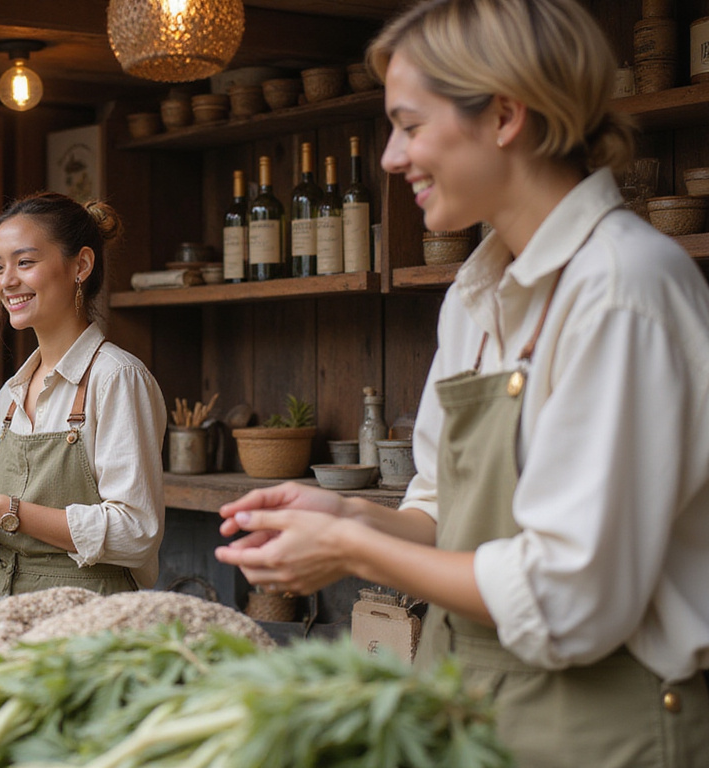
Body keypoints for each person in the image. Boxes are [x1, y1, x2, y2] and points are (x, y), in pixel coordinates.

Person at [214, 0, 709, 764]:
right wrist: (348, 513)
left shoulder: (621, 289)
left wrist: (349, 547)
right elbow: (442, 512)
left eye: (410, 125)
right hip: (474, 714)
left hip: (607, 733)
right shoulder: (476, 297)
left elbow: (568, 600)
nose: (390, 157)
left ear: (506, 114)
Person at [0, 192, 167, 597]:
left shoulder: (116, 378)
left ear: (81, 265)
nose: (6, 281)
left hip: (84, 616)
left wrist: (0, 508)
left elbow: (135, 533)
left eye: (24, 262)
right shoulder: (11, 393)